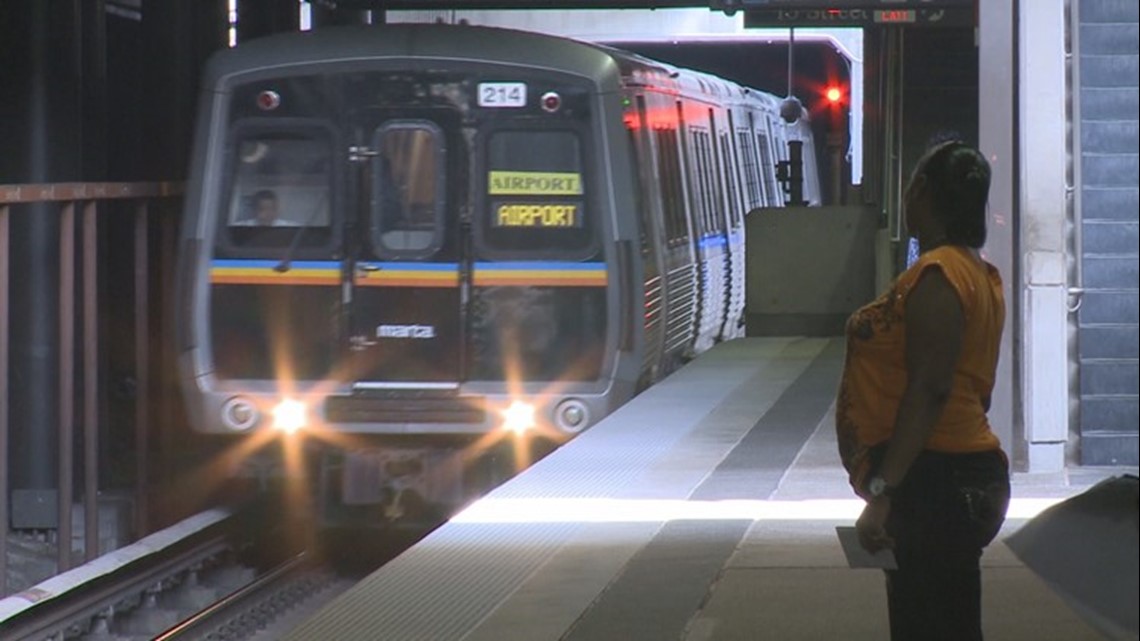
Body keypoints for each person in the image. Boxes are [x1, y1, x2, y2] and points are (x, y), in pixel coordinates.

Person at [835, 139, 1010, 641]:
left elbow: (931, 387)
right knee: (949, 623)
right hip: (955, 472)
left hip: (935, 480)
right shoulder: (978, 273)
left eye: (912, 184)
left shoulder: (939, 276)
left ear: (924, 192)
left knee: (925, 624)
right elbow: (975, 387)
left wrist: (883, 491)